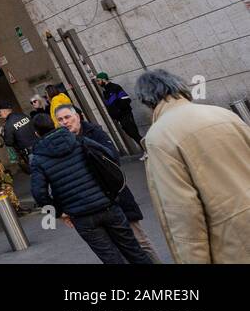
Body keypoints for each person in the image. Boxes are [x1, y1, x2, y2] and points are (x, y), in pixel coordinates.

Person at [135, 69, 250, 264]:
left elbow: (182, 215)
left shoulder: (159, 137)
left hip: (231, 242)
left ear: (146, 101)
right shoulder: (222, 113)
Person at [28, 113, 152, 264]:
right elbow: (109, 156)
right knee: (134, 251)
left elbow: (39, 193)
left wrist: (59, 212)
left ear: (36, 133)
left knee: (110, 258)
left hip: (81, 216)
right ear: (54, 125)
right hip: (107, 205)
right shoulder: (78, 140)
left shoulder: (38, 158)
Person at [55, 103, 160, 262]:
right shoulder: (62, 143)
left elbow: (112, 159)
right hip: (92, 207)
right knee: (116, 251)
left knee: (139, 242)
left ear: (77, 116)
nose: (65, 122)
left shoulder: (94, 132)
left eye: (67, 117)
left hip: (117, 197)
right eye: (60, 119)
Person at [95, 72, 145, 156]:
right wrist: (115, 116)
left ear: (104, 80)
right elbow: (110, 106)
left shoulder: (115, 87)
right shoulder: (106, 92)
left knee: (133, 132)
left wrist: (119, 110)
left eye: (98, 81)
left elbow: (126, 99)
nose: (98, 83)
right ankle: (146, 149)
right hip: (119, 117)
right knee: (131, 133)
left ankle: (147, 149)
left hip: (125, 114)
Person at [0, 103, 38, 173]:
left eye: (0, 112)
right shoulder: (23, 115)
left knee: (37, 174)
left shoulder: (8, 124)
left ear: (4, 111)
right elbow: (35, 128)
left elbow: (8, 142)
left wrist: (3, 134)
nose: (0, 115)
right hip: (40, 146)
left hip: (29, 153)